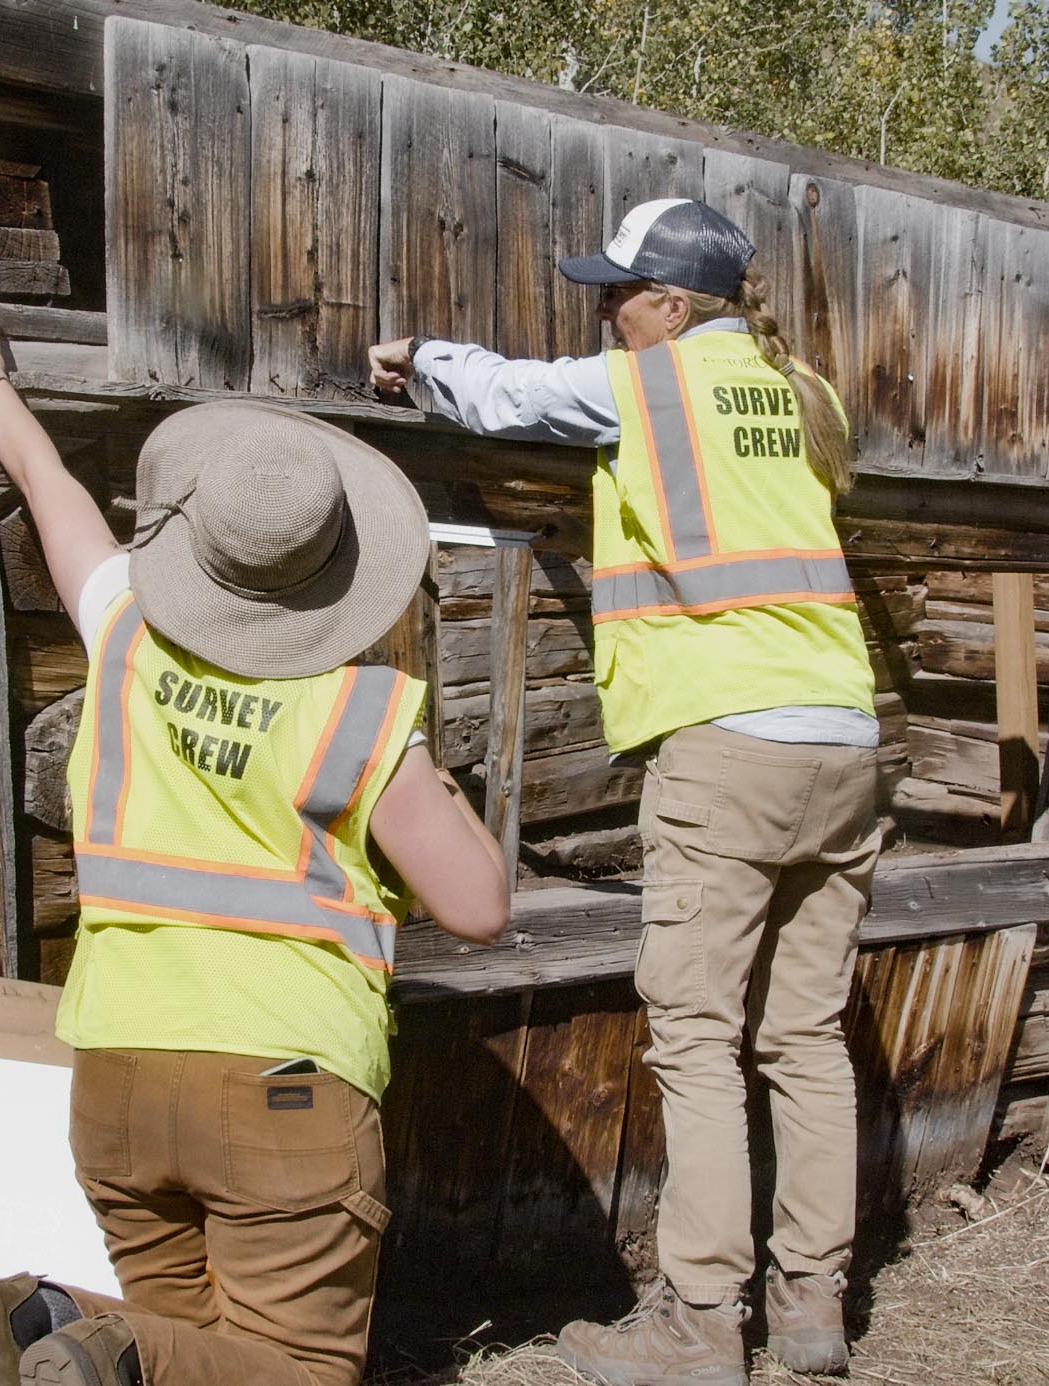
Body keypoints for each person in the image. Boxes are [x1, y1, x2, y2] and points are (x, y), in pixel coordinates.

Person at [0, 291, 510, 1386]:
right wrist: (445, 785)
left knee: (191, 1362)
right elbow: (477, 907)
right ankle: (80, 1340)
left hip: (118, 1073)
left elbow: (51, 494)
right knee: (293, 1370)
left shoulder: (125, 634)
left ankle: (26, 1318)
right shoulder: (359, 715)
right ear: (335, 577)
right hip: (285, 1083)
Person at [369, 198, 880, 1386]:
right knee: (804, 1037)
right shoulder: (804, 392)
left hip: (726, 741)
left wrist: (415, 357)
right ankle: (812, 1309)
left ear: (669, 301)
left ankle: (700, 1326)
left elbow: (506, 395)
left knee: (697, 1039)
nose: (604, 310)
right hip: (842, 739)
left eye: (617, 290)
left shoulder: (648, 383)